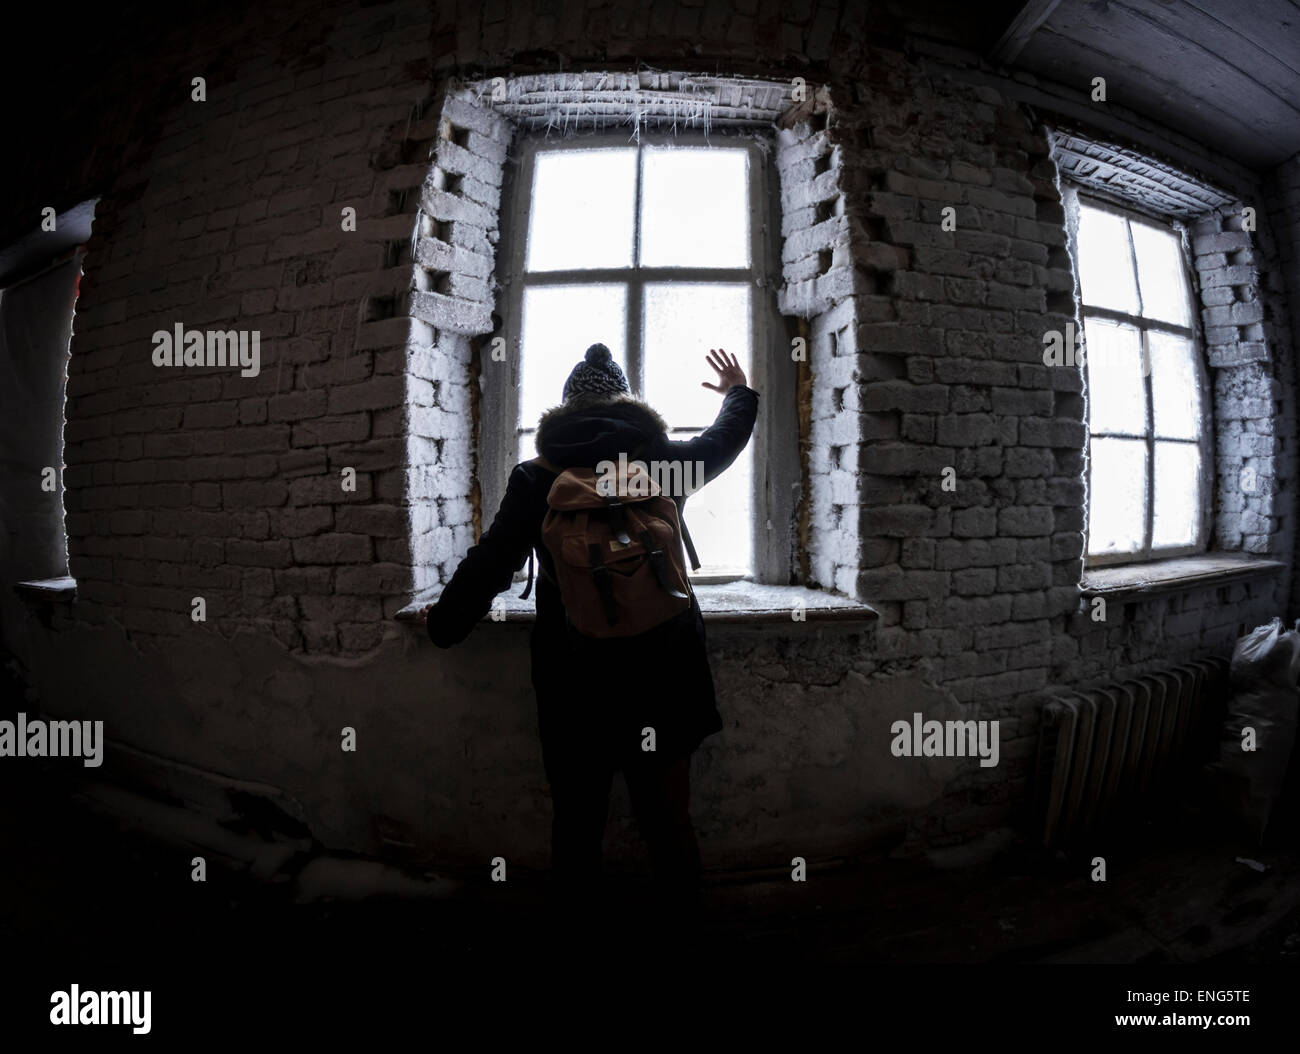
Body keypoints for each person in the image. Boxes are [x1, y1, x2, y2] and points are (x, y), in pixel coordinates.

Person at [423, 342, 758, 931]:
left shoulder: (536, 477)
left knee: (577, 820)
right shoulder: (660, 464)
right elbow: (723, 442)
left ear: (563, 413)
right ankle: (687, 932)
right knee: (667, 818)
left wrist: (445, 625)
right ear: (626, 405)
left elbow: (493, 561)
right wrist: (737, 392)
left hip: (574, 674)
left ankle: (576, 938)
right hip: (665, 668)